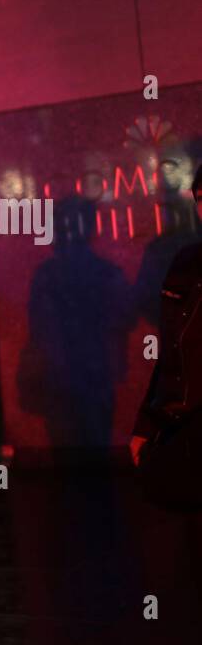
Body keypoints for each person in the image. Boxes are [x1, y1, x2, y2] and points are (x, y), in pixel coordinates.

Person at [131, 165, 202, 466]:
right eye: (201, 198)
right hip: (187, 431)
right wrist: (147, 424)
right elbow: (171, 352)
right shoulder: (186, 263)